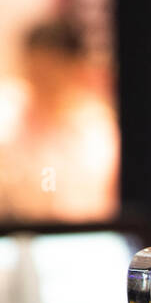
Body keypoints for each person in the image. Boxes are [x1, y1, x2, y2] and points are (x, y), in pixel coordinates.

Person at [0, 18, 118, 222]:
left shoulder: (96, 129)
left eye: (51, 70)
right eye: (36, 69)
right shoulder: (7, 110)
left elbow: (106, 202)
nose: (42, 80)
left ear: (75, 67)